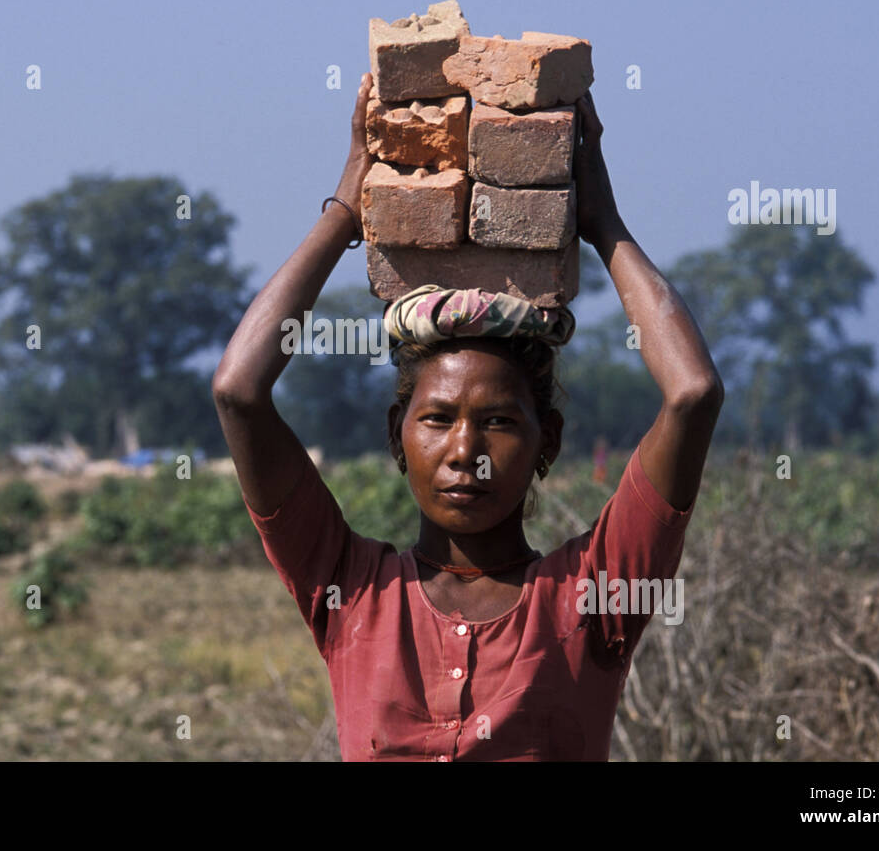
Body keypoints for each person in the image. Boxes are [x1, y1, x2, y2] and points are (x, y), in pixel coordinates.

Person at [212, 73, 723, 761]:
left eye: (500, 422)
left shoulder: (590, 598)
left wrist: (604, 224)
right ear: (398, 437)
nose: (465, 451)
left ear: (550, 443)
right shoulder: (352, 591)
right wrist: (345, 208)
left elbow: (691, 394)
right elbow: (239, 391)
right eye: (438, 419)